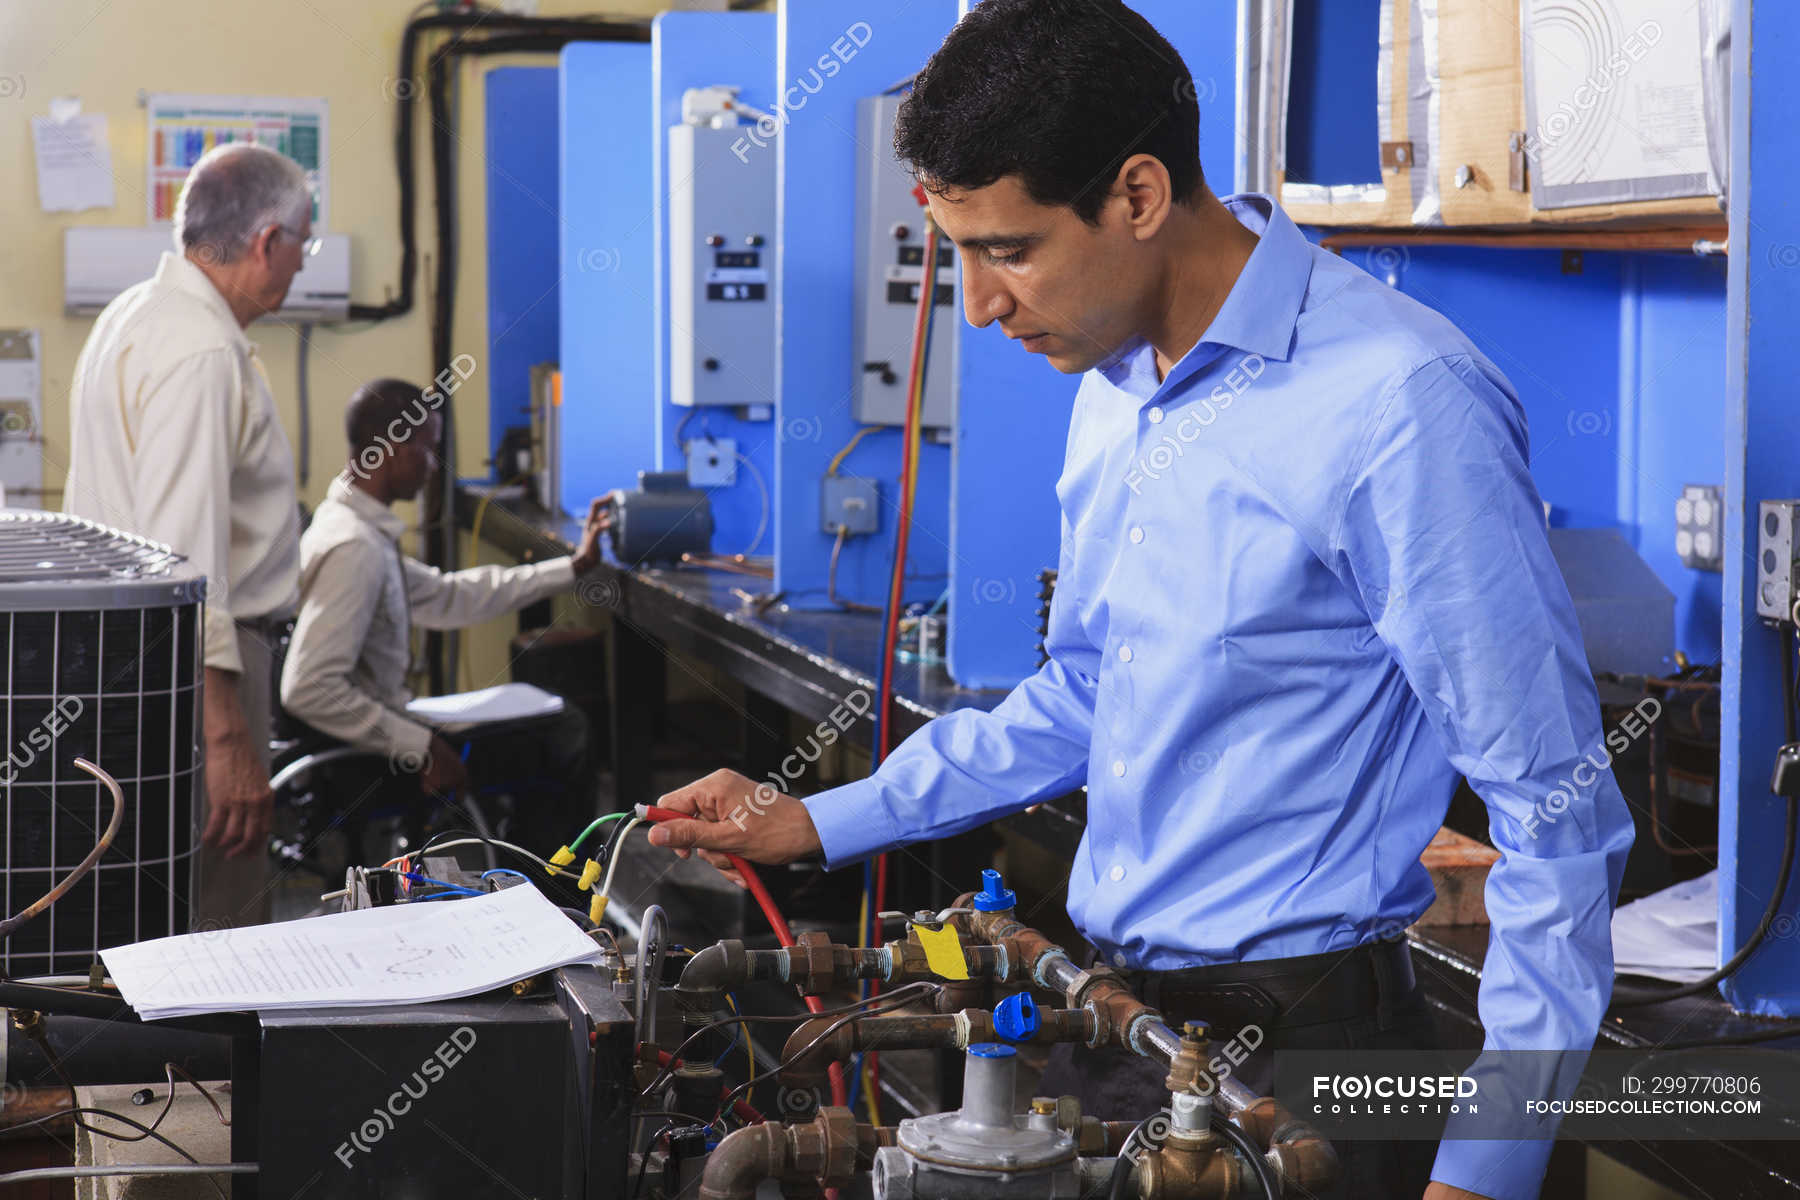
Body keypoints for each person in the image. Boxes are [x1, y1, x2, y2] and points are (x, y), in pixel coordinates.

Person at [643, 3, 1635, 1199]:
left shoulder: (1400, 405)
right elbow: (1082, 695)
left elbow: (1560, 823)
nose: (984, 303)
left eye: (1008, 249)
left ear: (1140, 195)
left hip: (1314, 1072)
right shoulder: (1115, 381)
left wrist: (1485, 1170)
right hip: (1121, 1035)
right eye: (959, 251)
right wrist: (818, 819)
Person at [64, 142, 315, 926]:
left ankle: (146, 1053)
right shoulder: (202, 350)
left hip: (135, 660)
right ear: (268, 240)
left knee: (147, 904)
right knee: (216, 918)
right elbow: (185, 559)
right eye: (303, 243)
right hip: (199, 671)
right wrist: (228, 739)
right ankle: (202, 1057)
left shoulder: (135, 315)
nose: (303, 264)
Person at [279, 378, 611, 849]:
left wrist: (573, 567)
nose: (433, 465)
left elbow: (449, 597)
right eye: (428, 449)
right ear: (393, 449)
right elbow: (308, 688)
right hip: (369, 762)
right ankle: (555, 891)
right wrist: (422, 747)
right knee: (568, 733)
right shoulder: (354, 548)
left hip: (376, 741)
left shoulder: (356, 529)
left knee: (543, 719)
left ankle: (530, 876)